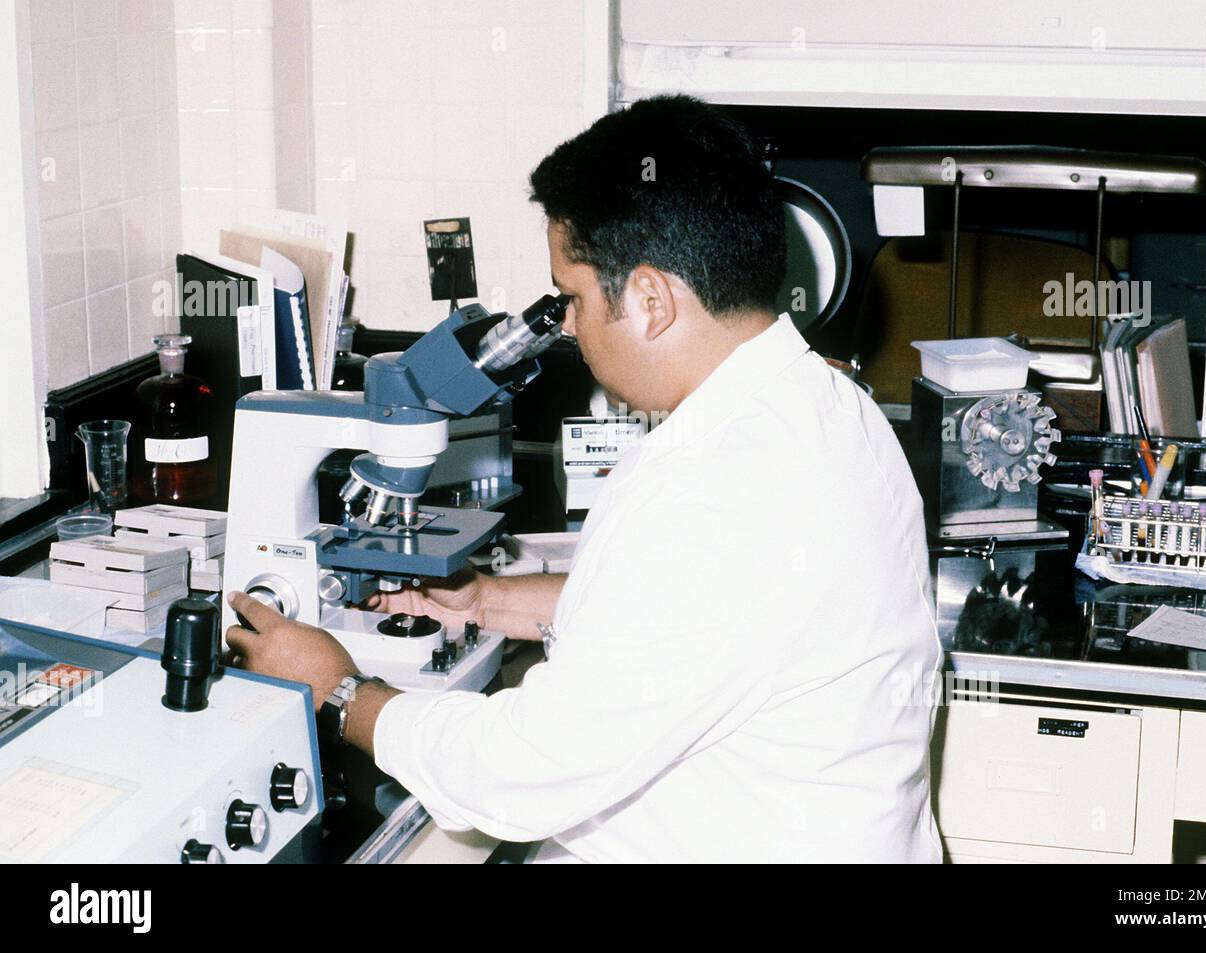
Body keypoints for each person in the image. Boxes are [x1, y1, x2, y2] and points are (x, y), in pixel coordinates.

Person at [227, 94, 944, 863]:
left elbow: (528, 771)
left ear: (651, 298)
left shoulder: (716, 486)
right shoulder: (828, 403)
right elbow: (689, 621)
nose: (566, 325)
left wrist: (341, 693)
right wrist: (488, 600)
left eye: (571, 297)